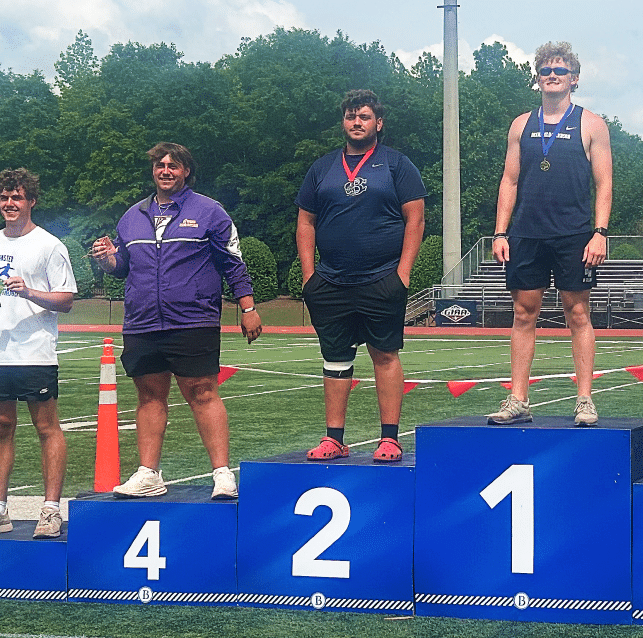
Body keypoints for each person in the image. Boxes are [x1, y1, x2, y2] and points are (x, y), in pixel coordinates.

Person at [91, 143, 262, 500]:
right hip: (142, 322)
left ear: (186, 171)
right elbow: (123, 268)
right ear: (153, 170)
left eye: (173, 165)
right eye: (159, 165)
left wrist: (247, 308)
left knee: (203, 392)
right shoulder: (132, 216)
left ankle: (222, 474)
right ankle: (148, 472)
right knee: (149, 396)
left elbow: (233, 262)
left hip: (192, 319)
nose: (165, 170)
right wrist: (109, 259)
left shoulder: (209, 211)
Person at [297, 90, 425, 463]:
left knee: (384, 355)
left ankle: (389, 438)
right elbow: (305, 221)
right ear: (343, 122)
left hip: (382, 278)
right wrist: (309, 275)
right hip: (330, 281)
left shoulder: (397, 165)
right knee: (335, 359)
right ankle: (334, 438)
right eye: (351, 116)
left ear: (378, 123)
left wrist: (402, 275)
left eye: (364, 117)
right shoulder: (322, 168)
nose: (357, 122)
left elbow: (414, 220)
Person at [489, 41, 612, 427]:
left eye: (560, 70)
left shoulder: (591, 123)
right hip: (527, 233)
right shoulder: (521, 125)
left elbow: (604, 183)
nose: (552, 76)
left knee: (577, 312)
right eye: (546, 70)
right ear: (537, 78)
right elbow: (509, 181)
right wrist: (500, 232)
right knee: (523, 313)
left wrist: (600, 232)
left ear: (574, 79)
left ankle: (585, 399)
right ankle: (519, 398)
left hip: (574, 234)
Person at [0, 168, 76, 538]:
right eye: (4, 197)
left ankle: (50, 510)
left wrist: (29, 292)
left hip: (34, 352)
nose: (9, 203)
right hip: (0, 354)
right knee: (1, 428)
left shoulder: (49, 245)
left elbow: (66, 300)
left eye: (16, 197)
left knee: (47, 428)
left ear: (31, 201)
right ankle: (0, 508)